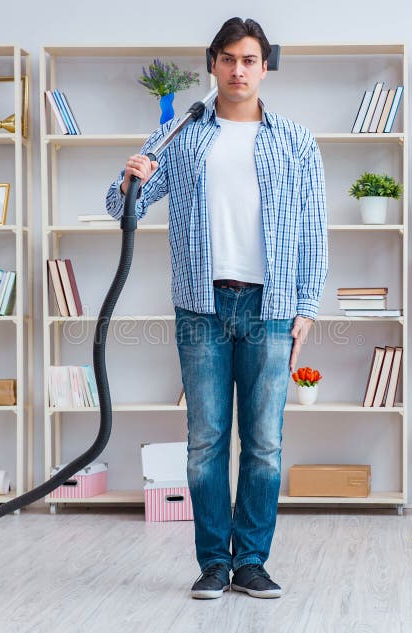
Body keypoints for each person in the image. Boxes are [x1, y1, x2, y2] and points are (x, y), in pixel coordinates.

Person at [106, 16, 327, 600]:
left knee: (264, 443)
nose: (238, 70)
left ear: (264, 66)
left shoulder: (295, 141)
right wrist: (130, 179)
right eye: (228, 59)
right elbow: (119, 205)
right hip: (201, 306)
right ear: (212, 64)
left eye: (249, 59)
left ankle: (250, 561)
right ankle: (212, 563)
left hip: (271, 306)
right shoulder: (181, 133)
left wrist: (306, 307)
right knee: (205, 440)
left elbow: (313, 229)